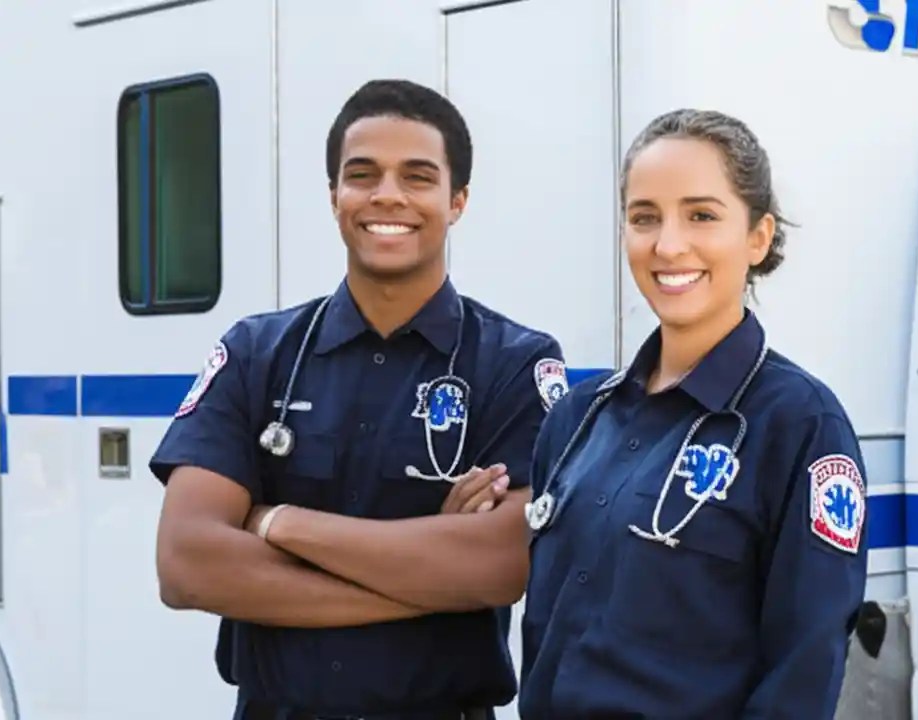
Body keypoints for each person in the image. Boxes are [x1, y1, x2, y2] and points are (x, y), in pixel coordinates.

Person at [149, 78, 567, 720]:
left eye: (418, 177)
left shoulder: (514, 364)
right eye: (363, 174)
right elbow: (187, 563)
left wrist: (275, 522)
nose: (388, 196)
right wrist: (431, 577)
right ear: (334, 196)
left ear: (457, 200)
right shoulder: (258, 354)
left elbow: (503, 563)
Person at [517, 108, 869, 719]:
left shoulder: (799, 425)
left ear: (758, 237)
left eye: (701, 215)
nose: (668, 244)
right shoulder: (577, 418)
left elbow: (803, 670)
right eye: (644, 217)